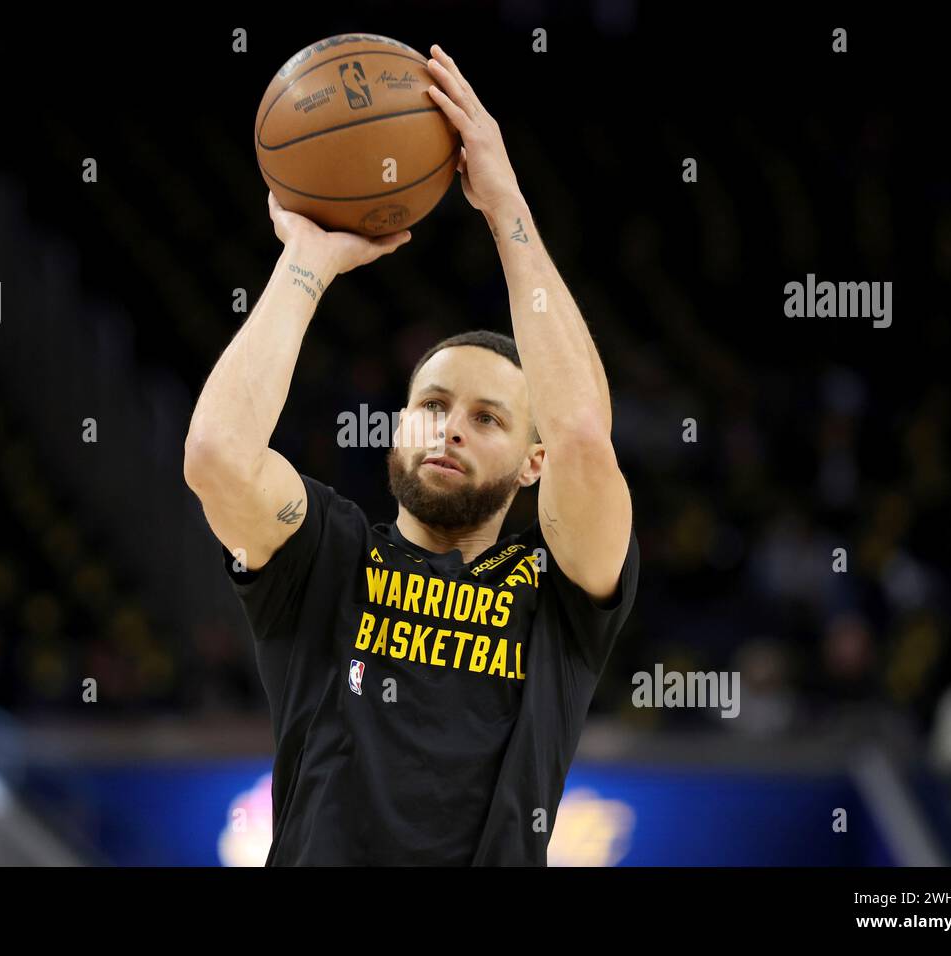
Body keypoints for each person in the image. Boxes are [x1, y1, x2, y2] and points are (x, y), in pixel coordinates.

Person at [184, 44, 638, 865]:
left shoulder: (558, 595)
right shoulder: (327, 556)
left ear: (533, 464)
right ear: (397, 428)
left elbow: (580, 434)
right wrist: (305, 264)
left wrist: (506, 208)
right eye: (431, 406)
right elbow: (216, 452)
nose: (451, 428)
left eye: (489, 418)